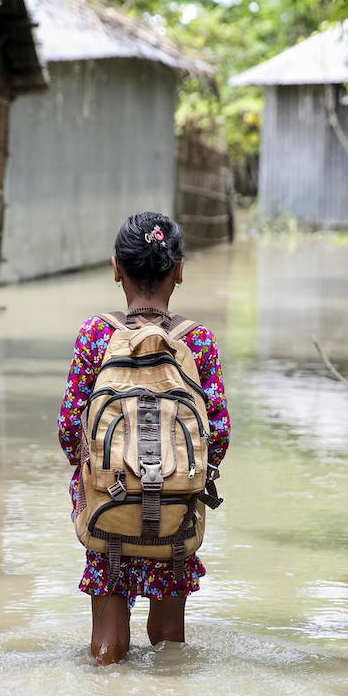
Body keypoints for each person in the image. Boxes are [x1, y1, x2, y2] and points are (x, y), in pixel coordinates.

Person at [58, 212, 230, 666]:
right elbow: (220, 436)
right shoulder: (199, 343)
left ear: (116, 268)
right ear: (179, 270)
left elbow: (68, 430)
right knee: (170, 646)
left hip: (108, 506)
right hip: (175, 514)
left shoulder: (96, 336)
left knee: (107, 648)